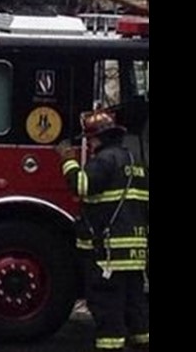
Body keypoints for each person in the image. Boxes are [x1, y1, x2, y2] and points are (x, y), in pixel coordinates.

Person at [56, 109, 149, 351]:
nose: (91, 143)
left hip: (109, 251)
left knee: (107, 303)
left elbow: (81, 186)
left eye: (91, 139)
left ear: (99, 138)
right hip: (135, 251)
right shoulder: (135, 162)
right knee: (134, 301)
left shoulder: (105, 161)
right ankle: (141, 340)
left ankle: (110, 346)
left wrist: (68, 160)